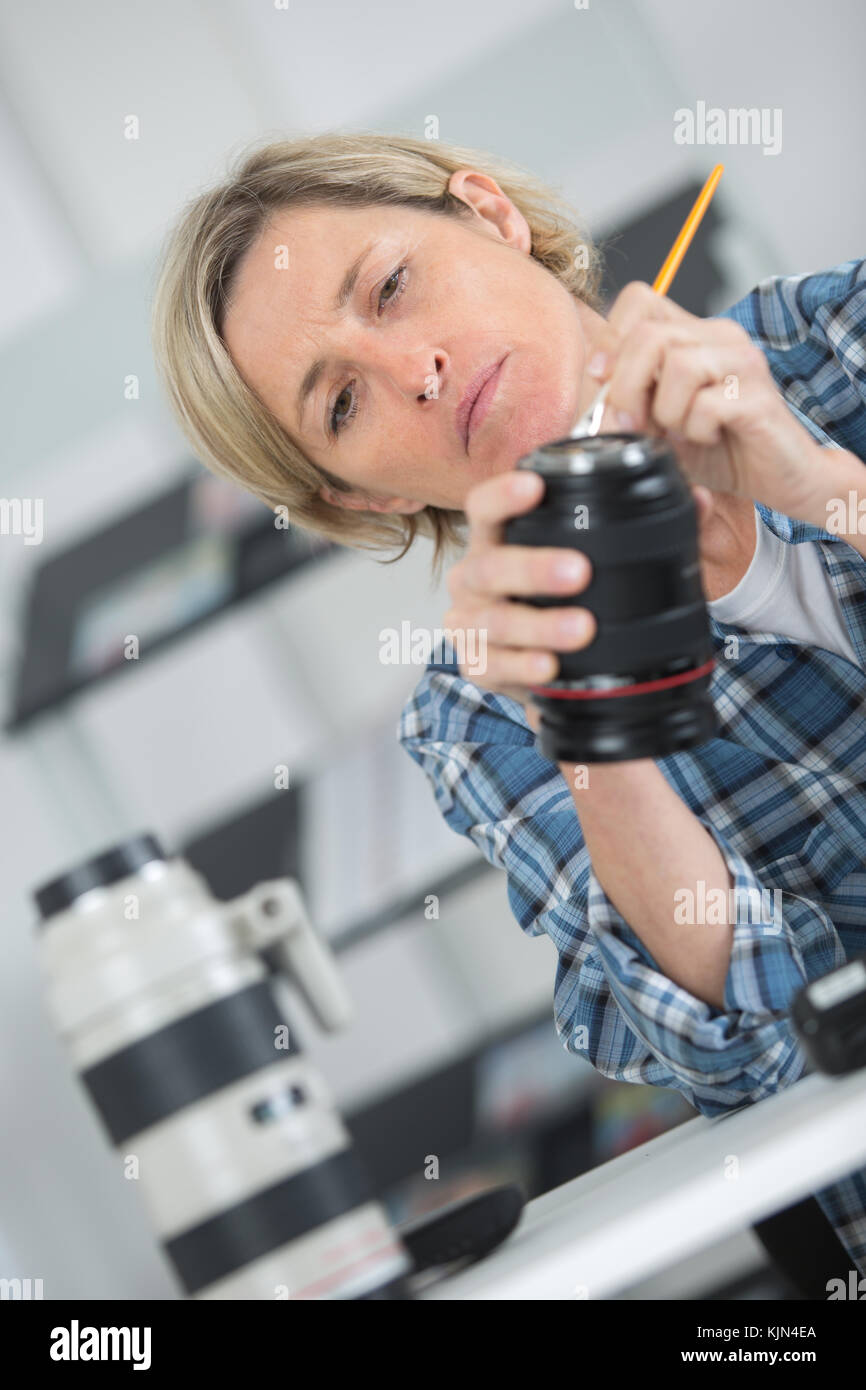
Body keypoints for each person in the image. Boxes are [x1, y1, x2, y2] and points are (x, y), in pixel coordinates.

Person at [151, 130, 866, 1284]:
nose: (413, 373)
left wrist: (820, 487)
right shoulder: (482, 718)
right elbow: (761, 1056)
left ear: (486, 213)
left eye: (389, 287)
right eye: (342, 403)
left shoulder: (838, 344)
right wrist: (587, 734)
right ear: (365, 492)